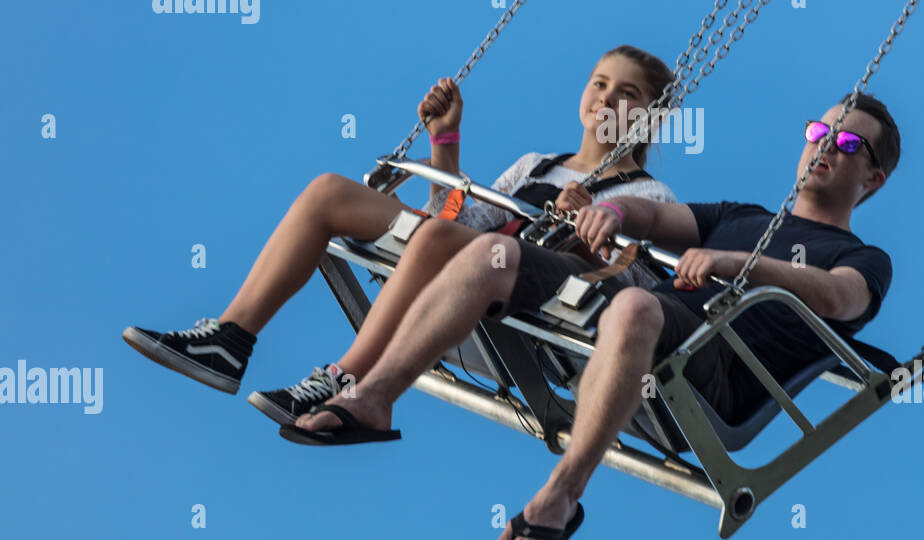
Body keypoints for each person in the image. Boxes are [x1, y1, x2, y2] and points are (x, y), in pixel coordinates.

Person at [284, 91, 900, 540]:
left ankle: (559, 495)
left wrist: (736, 264)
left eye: (848, 145)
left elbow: (839, 298)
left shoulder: (862, 258)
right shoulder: (741, 214)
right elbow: (653, 214)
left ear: (873, 180)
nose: (825, 146)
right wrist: (609, 207)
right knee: (488, 253)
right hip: (631, 330)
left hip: (710, 370)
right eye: (820, 131)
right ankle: (373, 397)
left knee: (634, 308)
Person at [122, 45, 679, 424]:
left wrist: (589, 233)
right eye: (599, 83)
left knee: (434, 245)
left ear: (650, 118)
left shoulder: (650, 200)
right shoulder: (536, 166)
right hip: (470, 249)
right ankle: (230, 338)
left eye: (627, 94)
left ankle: (345, 378)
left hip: (533, 287)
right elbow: (453, 220)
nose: (605, 99)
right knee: (328, 192)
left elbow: (640, 289)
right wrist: (446, 143)